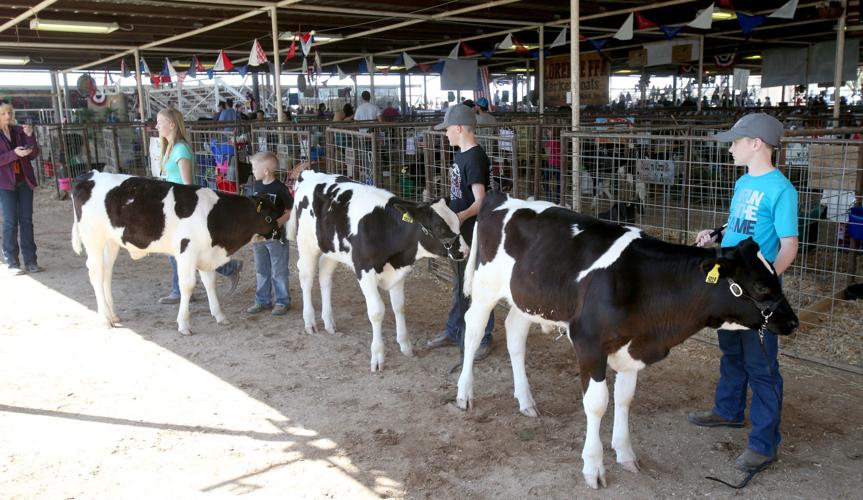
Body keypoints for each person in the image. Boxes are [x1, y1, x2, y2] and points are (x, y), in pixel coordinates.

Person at [688, 113, 799, 473]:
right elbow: (739, 224)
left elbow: (789, 245)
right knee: (731, 352)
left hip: (756, 295)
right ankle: (729, 410)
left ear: (756, 144)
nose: (730, 148)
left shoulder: (782, 190)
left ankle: (764, 445)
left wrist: (766, 285)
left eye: (735, 142)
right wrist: (717, 234)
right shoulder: (743, 182)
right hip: (730, 287)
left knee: (762, 366)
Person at [426, 104, 494, 360]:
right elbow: (460, 194)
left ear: (458, 128)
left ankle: (484, 338)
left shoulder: (474, 158)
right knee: (460, 283)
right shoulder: (461, 155)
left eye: (447, 129)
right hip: (460, 232)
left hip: (472, 232)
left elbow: (481, 200)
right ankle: (455, 330)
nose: (445, 134)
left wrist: (459, 216)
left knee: (477, 286)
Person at [154, 108, 242, 305]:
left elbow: (187, 184)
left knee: (182, 251)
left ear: (172, 125)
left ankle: (182, 289)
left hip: (182, 207)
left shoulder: (180, 149)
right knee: (182, 250)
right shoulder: (170, 148)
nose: (157, 126)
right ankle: (228, 268)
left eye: (160, 122)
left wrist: (182, 210)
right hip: (174, 205)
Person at [245, 152, 293, 316]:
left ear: (266, 171)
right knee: (261, 269)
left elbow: (291, 210)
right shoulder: (256, 186)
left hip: (276, 236)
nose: (252, 171)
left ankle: (282, 301)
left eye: (254, 168)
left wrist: (278, 222)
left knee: (279, 270)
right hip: (258, 236)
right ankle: (262, 300)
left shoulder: (280, 188)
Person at [0, 102, 41, 275]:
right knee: (10, 222)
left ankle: (31, 261)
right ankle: (12, 262)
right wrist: (14, 154)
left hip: (24, 181)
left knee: (26, 221)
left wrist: (30, 137)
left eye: (9, 112)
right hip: (4, 184)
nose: (8, 116)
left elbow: (34, 154)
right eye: (3, 113)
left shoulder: (18, 131)